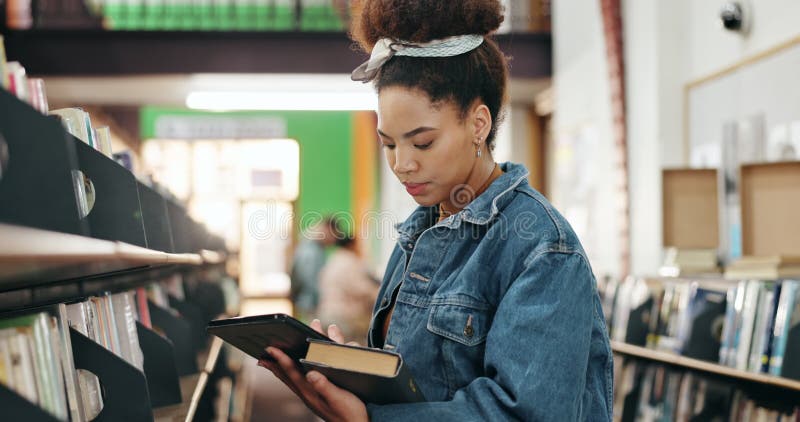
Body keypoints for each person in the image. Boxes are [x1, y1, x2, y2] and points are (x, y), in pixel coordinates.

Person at [259, 1, 614, 420]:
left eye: (422, 142)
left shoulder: (542, 248)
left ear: (478, 124)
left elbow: (526, 414)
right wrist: (357, 375)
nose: (402, 163)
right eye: (389, 143)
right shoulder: (419, 232)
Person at [316, 235, 380, 342]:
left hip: (326, 312)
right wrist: (381, 294)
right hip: (344, 317)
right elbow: (362, 289)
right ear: (352, 244)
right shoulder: (350, 261)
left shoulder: (333, 259)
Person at [288, 217, 339, 322]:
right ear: (327, 229)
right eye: (333, 235)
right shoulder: (311, 250)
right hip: (312, 302)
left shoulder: (311, 246)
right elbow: (310, 279)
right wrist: (321, 301)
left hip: (310, 301)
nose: (334, 240)